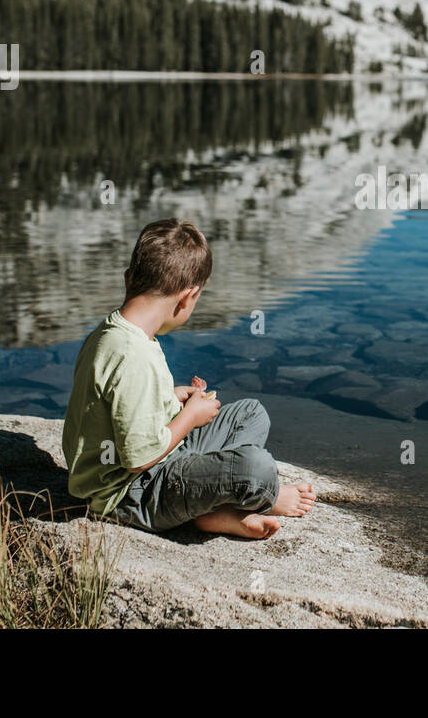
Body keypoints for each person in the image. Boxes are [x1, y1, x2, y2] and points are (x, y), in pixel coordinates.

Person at [62, 218, 315, 539]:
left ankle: (210, 503)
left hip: (160, 465)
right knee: (256, 469)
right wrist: (190, 417)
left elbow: (121, 402)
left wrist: (170, 396)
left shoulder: (115, 334)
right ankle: (238, 503)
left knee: (251, 412)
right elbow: (138, 458)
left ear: (128, 280)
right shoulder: (133, 354)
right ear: (187, 297)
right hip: (131, 492)